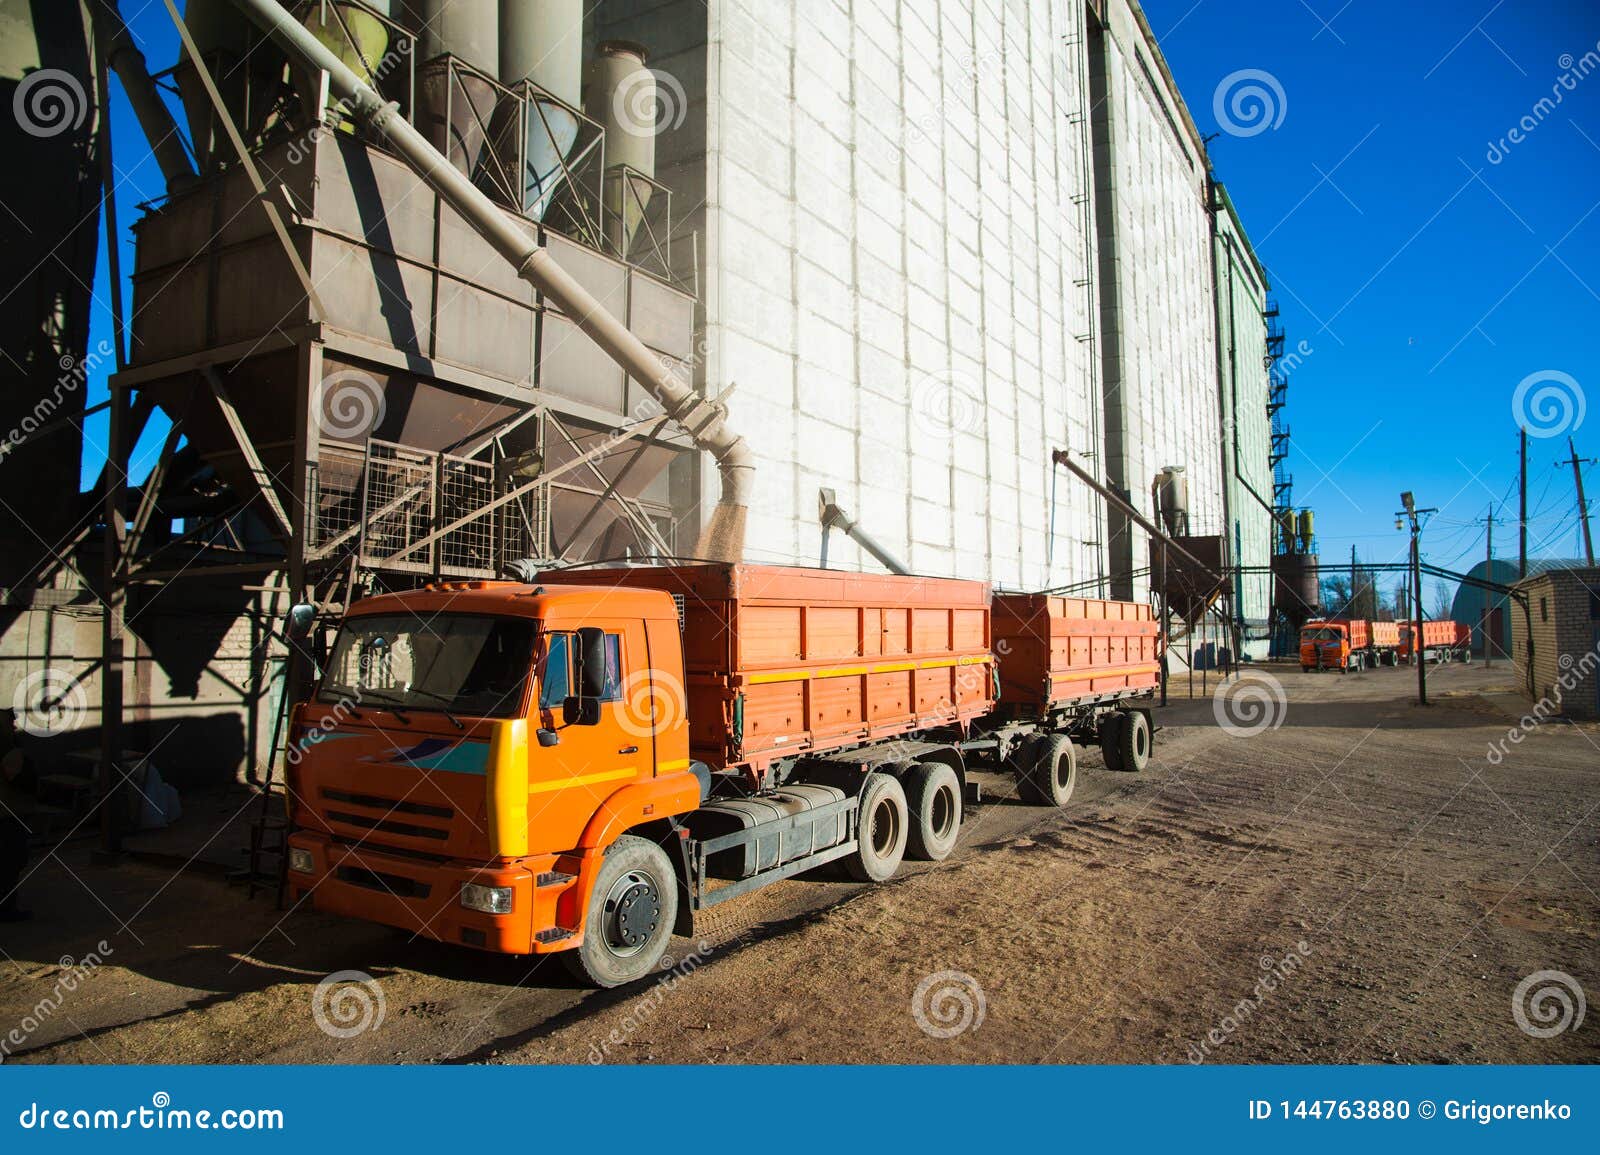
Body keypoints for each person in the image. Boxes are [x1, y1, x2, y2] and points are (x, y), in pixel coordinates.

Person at [0, 711, 32, 922]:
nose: (15, 725)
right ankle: (6, 908)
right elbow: (19, 780)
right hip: (9, 816)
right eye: (11, 721)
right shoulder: (10, 751)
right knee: (11, 862)